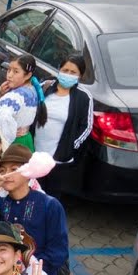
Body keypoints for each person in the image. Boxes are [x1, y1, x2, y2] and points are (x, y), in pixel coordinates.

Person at [0, 144, 70, 275]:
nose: (6, 175)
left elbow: (58, 252)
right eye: (2, 170)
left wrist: (28, 272)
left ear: (29, 172)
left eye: (14, 169)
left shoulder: (49, 205)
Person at [34, 54, 93, 199]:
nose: (68, 74)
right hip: (35, 154)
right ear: (59, 69)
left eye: (73, 72)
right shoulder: (46, 86)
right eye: (65, 70)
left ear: (80, 76)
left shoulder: (83, 97)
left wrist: (72, 145)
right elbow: (28, 106)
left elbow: (87, 126)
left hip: (59, 159)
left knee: (51, 197)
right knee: (33, 192)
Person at [0, 54, 46, 151]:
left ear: (28, 75)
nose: (9, 75)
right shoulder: (32, 89)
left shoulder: (14, 97)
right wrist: (2, 95)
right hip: (25, 140)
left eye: (16, 71)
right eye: (9, 70)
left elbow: (3, 117)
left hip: (12, 143)